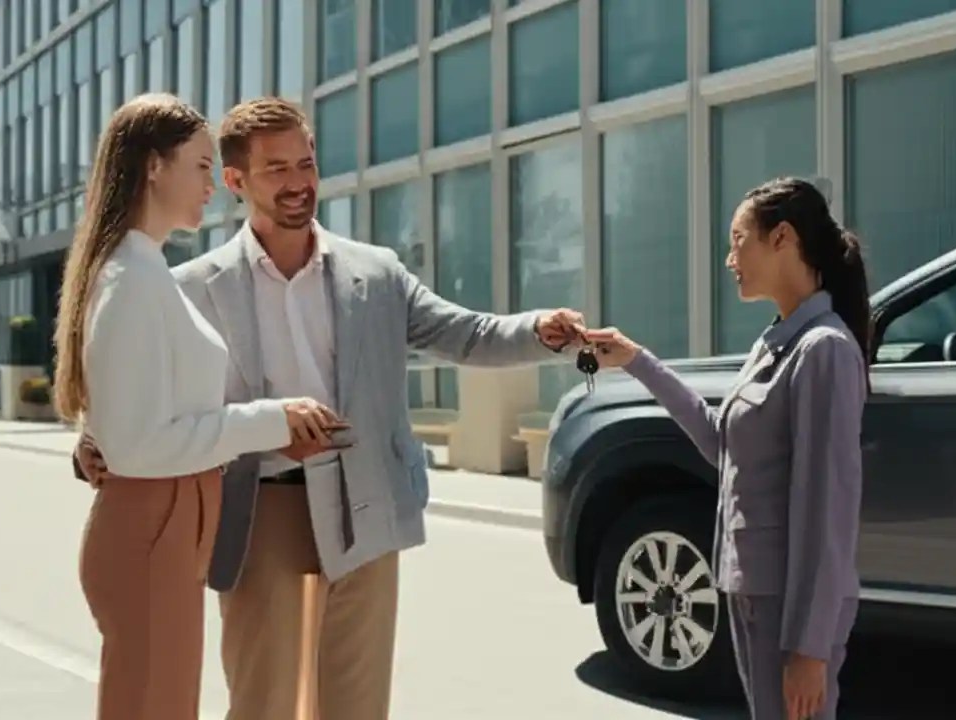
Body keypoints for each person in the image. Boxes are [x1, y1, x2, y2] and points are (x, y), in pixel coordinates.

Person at [75, 96, 585, 720]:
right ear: (236, 181)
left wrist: (543, 329)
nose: (299, 183)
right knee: (264, 701)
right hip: (260, 504)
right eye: (277, 169)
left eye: (306, 163)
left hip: (365, 499)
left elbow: (468, 334)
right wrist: (92, 437)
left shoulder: (377, 272)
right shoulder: (190, 286)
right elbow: (143, 379)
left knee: (355, 702)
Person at [54, 93, 340, 720]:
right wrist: (270, 419)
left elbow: (130, 410)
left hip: (168, 527)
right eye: (203, 166)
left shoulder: (142, 270)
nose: (214, 184)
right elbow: (141, 444)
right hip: (155, 525)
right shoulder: (132, 279)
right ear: (154, 166)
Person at [584, 176, 870, 720]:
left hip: (789, 604)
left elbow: (827, 509)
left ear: (782, 237)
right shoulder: (776, 342)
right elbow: (723, 443)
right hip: (753, 590)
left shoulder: (823, 350)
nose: (729, 258)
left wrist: (809, 646)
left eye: (739, 240)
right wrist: (636, 360)